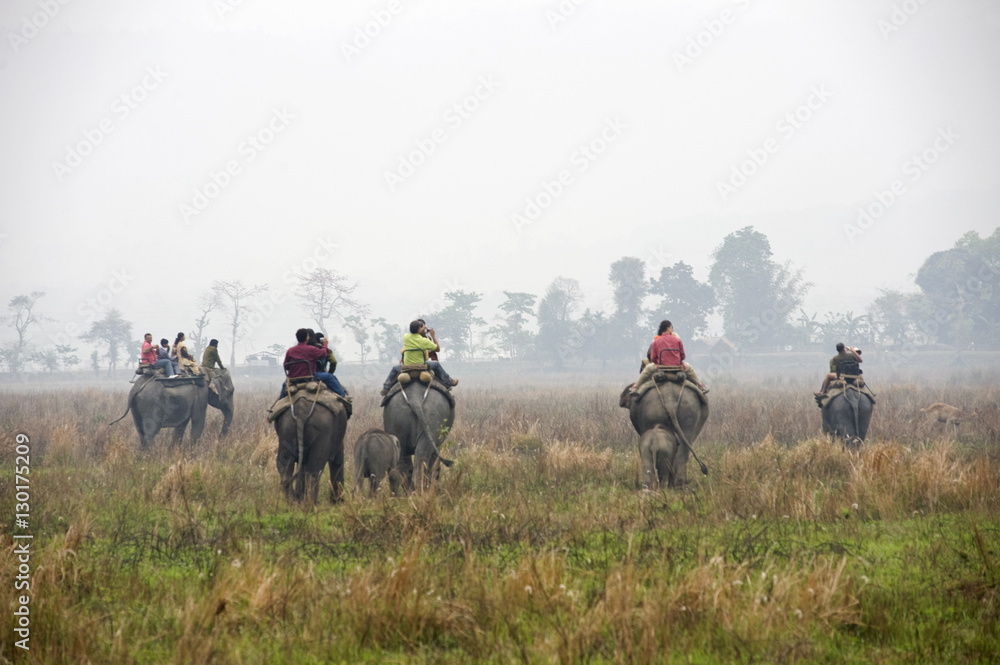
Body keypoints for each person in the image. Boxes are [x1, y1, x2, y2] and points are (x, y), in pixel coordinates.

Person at [380, 320, 458, 395]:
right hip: (421, 366)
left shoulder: (406, 337)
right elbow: (437, 349)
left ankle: (386, 388)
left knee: (394, 368)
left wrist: (420, 330)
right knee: (436, 364)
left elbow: (412, 335)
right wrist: (433, 336)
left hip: (406, 366)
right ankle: (448, 382)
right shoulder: (424, 341)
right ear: (420, 329)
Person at [630, 320, 708, 394]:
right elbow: (683, 356)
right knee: (689, 368)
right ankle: (701, 386)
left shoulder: (657, 341)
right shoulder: (677, 340)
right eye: (672, 328)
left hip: (661, 367)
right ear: (668, 328)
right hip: (677, 367)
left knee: (647, 369)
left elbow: (653, 358)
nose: (672, 330)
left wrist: (658, 363)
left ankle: (635, 387)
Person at [279, 328, 346, 398]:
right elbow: (323, 353)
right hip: (310, 377)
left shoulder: (290, 350)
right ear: (307, 338)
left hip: (293, 379)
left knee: (284, 385)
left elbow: (286, 366)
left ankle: (278, 402)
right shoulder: (311, 349)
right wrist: (325, 345)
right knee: (329, 376)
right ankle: (343, 395)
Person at [311, 331, 348, 397]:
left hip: (306, 375)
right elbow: (334, 362)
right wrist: (330, 373)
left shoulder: (309, 350)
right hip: (320, 374)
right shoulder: (326, 351)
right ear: (322, 340)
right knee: (333, 380)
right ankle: (343, 396)